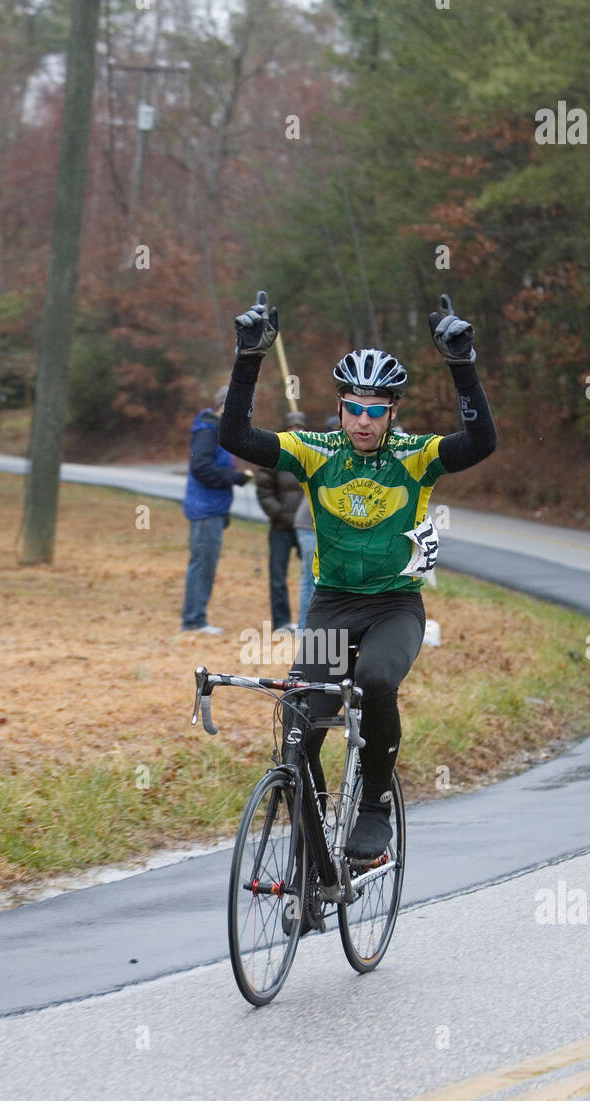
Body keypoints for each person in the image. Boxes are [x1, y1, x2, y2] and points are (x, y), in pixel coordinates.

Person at [220, 290, 497, 862]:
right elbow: (237, 439)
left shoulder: (417, 455)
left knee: (374, 681)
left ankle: (373, 806)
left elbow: (481, 442)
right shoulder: (317, 451)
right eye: (355, 408)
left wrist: (462, 367)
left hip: (394, 608)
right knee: (297, 731)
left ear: (392, 412)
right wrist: (249, 359)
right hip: (332, 607)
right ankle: (314, 842)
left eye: (376, 410)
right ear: (341, 408)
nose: (364, 421)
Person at [181, 385, 252, 634]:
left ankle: (196, 618)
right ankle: (193, 621)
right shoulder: (207, 431)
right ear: (226, 405)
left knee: (207, 564)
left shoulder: (219, 430)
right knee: (202, 564)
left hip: (214, 508)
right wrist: (234, 477)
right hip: (204, 508)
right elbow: (200, 468)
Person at [254, 409, 304, 633]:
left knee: (314, 578)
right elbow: (264, 492)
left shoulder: (311, 454)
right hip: (281, 527)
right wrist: (280, 513)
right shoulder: (274, 455)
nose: (296, 430)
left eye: (299, 427)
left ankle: (310, 622)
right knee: (277, 577)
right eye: (292, 427)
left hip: (307, 528)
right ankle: (281, 623)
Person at [294, 413, 337, 631]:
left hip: (316, 528)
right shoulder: (326, 456)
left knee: (316, 581)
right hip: (309, 527)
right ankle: (305, 630)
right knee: (311, 581)